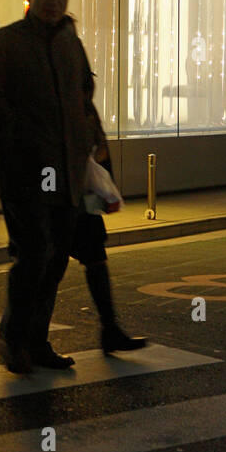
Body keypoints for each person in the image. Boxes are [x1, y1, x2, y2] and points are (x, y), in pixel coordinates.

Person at [0, 0, 96, 374]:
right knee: (34, 254)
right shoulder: (6, 43)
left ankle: (37, 340)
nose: (54, 0)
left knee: (57, 257)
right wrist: (20, 139)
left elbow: (83, 97)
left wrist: (93, 144)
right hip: (25, 172)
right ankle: (14, 339)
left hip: (67, 171)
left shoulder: (69, 42)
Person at [72, 101, 147, 353]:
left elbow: (95, 136)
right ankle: (26, 338)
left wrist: (105, 184)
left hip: (77, 184)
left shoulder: (72, 85)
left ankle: (110, 329)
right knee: (48, 263)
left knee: (93, 256)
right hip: (58, 184)